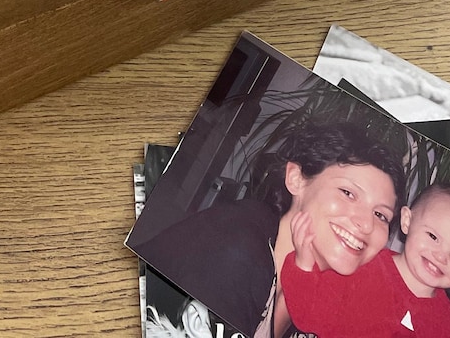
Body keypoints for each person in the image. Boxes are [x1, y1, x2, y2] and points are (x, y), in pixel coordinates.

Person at [132, 120, 406, 338]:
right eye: (348, 193)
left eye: (381, 214)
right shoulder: (233, 253)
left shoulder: (323, 286)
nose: (366, 224)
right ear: (296, 180)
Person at [281, 181, 450, 338]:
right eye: (433, 237)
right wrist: (304, 266)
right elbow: (309, 315)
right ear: (407, 221)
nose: (440, 256)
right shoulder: (362, 264)